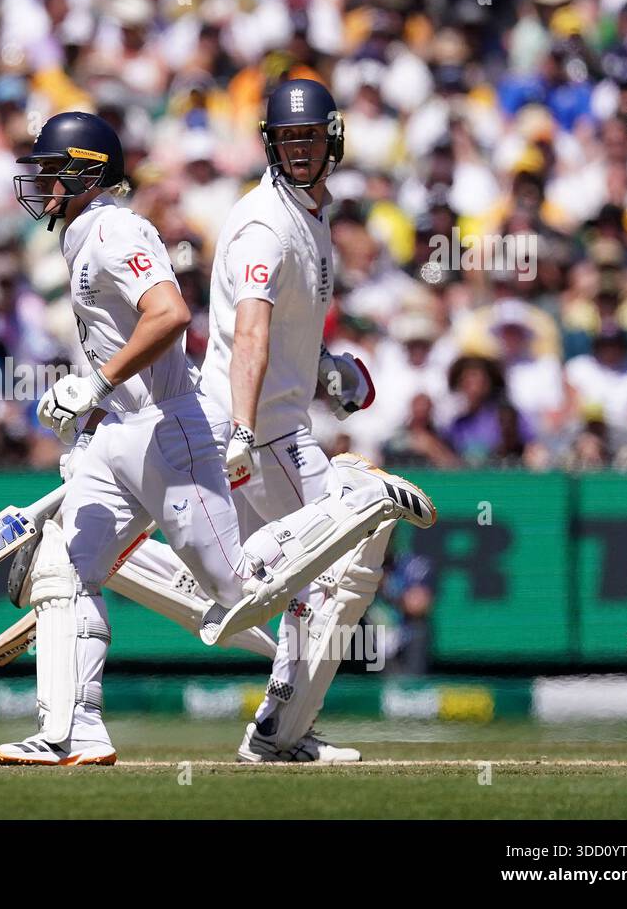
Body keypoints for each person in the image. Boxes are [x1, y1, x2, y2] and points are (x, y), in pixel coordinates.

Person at [0, 110, 431, 766]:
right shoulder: (79, 234)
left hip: (172, 428)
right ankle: (71, 731)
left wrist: (95, 383)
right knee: (66, 568)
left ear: (89, 172)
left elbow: (169, 313)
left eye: (53, 172)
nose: (42, 185)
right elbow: (119, 336)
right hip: (119, 434)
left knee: (242, 597)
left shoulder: (117, 228)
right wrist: (94, 402)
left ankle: (356, 500)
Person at [125, 80, 438, 762]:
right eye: (289, 138)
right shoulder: (267, 222)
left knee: (252, 588)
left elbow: (284, 333)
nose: (300, 150)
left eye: (310, 137)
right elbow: (252, 332)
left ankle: (113, 564)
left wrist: (327, 367)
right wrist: (239, 430)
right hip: (262, 435)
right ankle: (279, 731)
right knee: (352, 543)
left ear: (332, 141)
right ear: (271, 143)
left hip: (274, 425)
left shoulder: (310, 216)